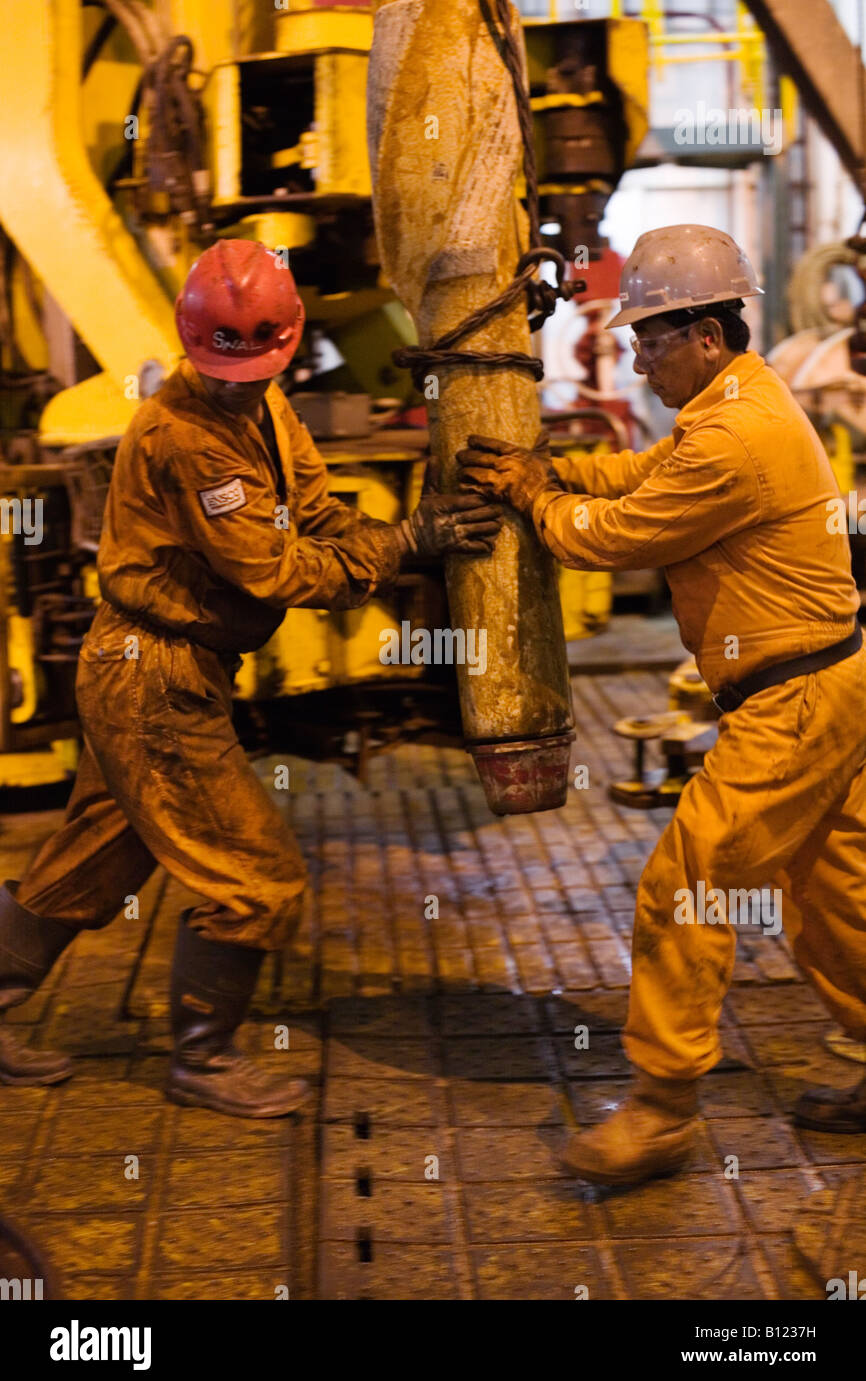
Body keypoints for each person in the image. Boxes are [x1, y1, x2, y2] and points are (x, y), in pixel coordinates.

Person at [0, 239, 501, 1118]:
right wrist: (406, 546)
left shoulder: (263, 411)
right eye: (226, 367)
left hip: (158, 669)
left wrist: (384, 538)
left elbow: (314, 511)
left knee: (87, 863)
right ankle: (203, 1057)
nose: (240, 381)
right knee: (256, 877)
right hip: (151, 676)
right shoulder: (187, 436)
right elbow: (275, 572)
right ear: (196, 346)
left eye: (257, 366)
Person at [458, 224, 866, 1186]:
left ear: (707, 337)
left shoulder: (738, 436)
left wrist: (539, 500)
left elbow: (615, 534)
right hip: (834, 684)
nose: (637, 357)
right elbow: (645, 477)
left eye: (650, 339)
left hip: (794, 704)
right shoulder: (740, 401)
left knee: (687, 881)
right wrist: (551, 470)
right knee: (830, 891)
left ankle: (662, 1108)